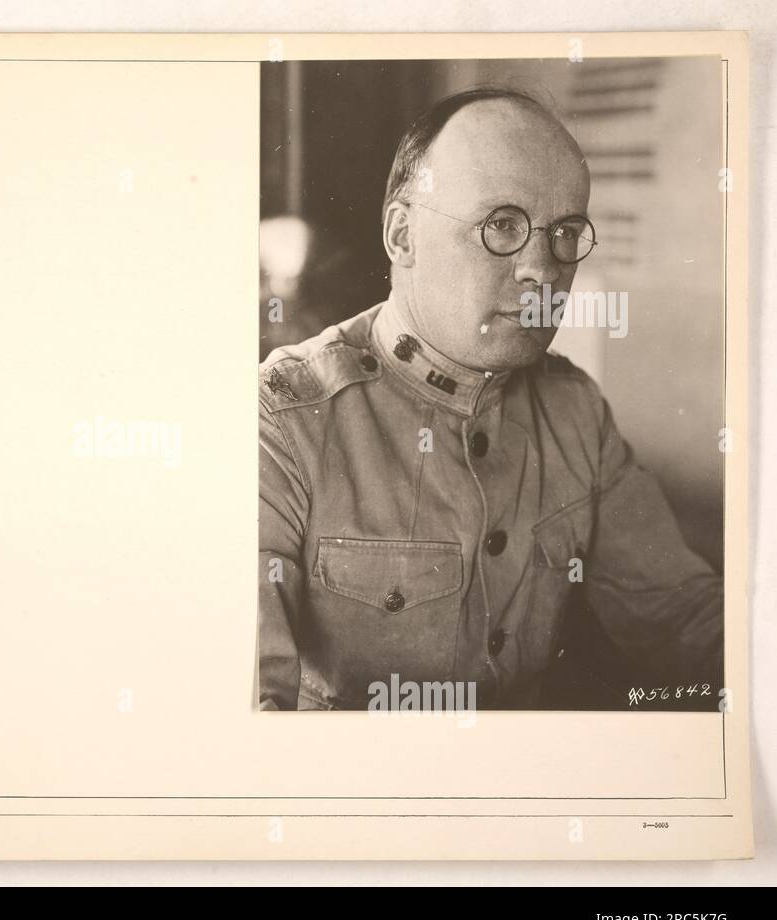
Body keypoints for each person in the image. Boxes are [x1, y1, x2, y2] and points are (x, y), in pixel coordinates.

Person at [258, 87, 723, 710]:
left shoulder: (575, 410)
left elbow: (681, 618)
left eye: (564, 233)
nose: (542, 269)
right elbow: (252, 717)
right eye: (501, 225)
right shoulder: (283, 419)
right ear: (402, 236)